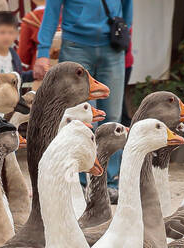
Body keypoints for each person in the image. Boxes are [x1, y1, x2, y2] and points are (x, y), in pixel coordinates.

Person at [34, 0, 131, 189]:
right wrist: (43, 50)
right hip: (75, 46)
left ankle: (108, 180)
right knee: (80, 118)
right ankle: (76, 179)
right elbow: (52, 10)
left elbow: (128, 6)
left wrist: (122, 33)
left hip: (112, 47)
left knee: (112, 116)